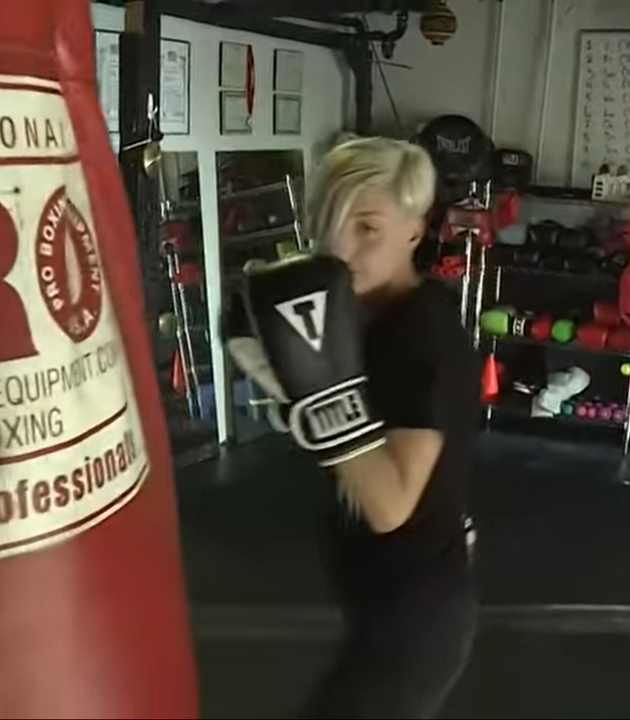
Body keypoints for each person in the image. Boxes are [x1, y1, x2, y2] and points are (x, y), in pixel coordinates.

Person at [226, 136, 480, 718]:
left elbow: (389, 505)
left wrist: (320, 399)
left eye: (367, 227)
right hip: (386, 599)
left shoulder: (420, 337)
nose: (341, 247)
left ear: (414, 231)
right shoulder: (359, 319)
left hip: (417, 620)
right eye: (328, 223)